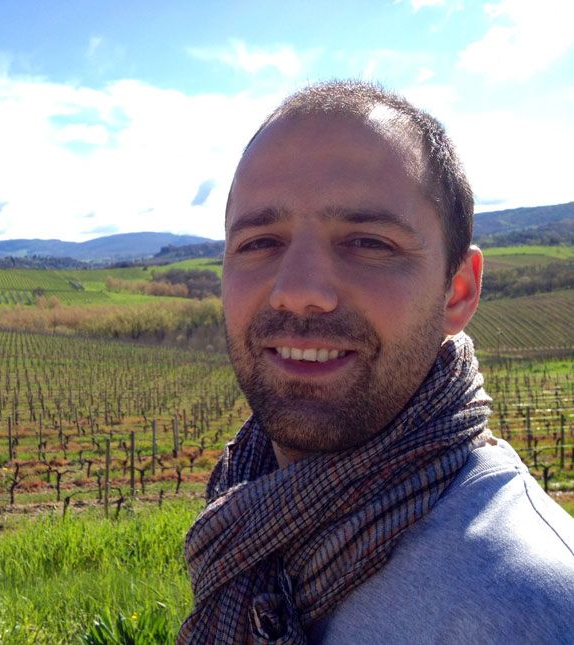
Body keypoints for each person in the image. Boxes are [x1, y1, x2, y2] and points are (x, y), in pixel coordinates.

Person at [179, 80, 574, 644]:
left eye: (368, 243)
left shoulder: (534, 607)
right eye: (260, 242)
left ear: (457, 291)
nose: (298, 291)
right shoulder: (245, 512)